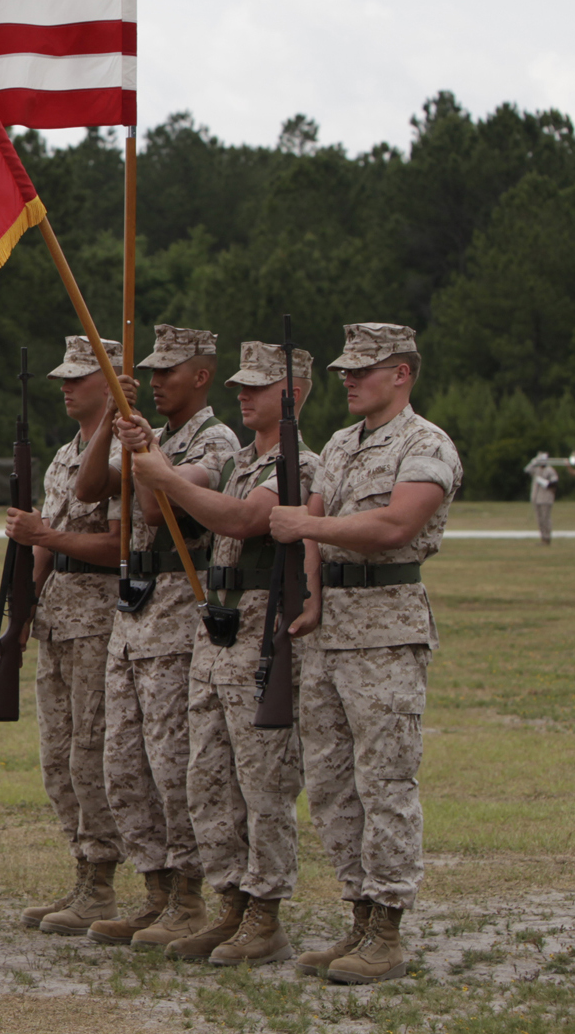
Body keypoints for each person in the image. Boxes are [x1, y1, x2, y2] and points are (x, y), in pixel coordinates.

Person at [270, 323, 460, 985]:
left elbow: (393, 525)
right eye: (346, 369)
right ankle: (356, 913)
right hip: (332, 634)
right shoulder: (343, 445)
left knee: (385, 783)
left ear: (402, 373)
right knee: (329, 784)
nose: (348, 379)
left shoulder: (425, 444)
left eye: (363, 370)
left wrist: (307, 526)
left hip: (386, 630)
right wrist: (314, 592)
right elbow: (318, 523)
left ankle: (387, 927)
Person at [119, 342, 320, 967]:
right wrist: (150, 454)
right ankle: (230, 901)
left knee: (263, 783)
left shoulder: (297, 464)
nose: (243, 394)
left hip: (261, 634)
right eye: (241, 385)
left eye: (258, 387)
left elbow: (240, 521)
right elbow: (162, 508)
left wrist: (166, 475)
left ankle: (265, 913)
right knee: (209, 780)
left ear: (291, 395)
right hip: (217, 634)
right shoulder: (236, 460)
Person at [73, 325, 239, 948]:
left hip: (174, 615)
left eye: (169, 370)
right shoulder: (158, 435)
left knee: (174, 767)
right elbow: (90, 491)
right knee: (125, 765)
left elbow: (151, 509)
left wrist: (146, 453)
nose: (158, 380)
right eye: (152, 370)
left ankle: (190, 896)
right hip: (133, 618)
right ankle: (156, 891)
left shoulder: (217, 440)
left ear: (201, 375)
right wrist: (114, 420)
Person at [2, 336, 126, 936]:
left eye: (79, 376)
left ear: (111, 384)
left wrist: (45, 538)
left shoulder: (120, 454)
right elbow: (40, 543)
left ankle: (102, 879)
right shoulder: (61, 456)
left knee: (92, 751)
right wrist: (21, 611)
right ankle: (82, 869)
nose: (65, 385)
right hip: (57, 618)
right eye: (65, 375)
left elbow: (122, 545)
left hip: (101, 618)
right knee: (57, 755)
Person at [523, 453, 559, 546]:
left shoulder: (550, 470)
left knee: (545, 519)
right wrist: (533, 462)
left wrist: (544, 482)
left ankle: (547, 538)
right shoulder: (536, 469)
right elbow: (526, 470)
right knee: (539, 520)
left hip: (546, 498)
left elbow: (554, 483)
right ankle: (543, 538)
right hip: (536, 498)